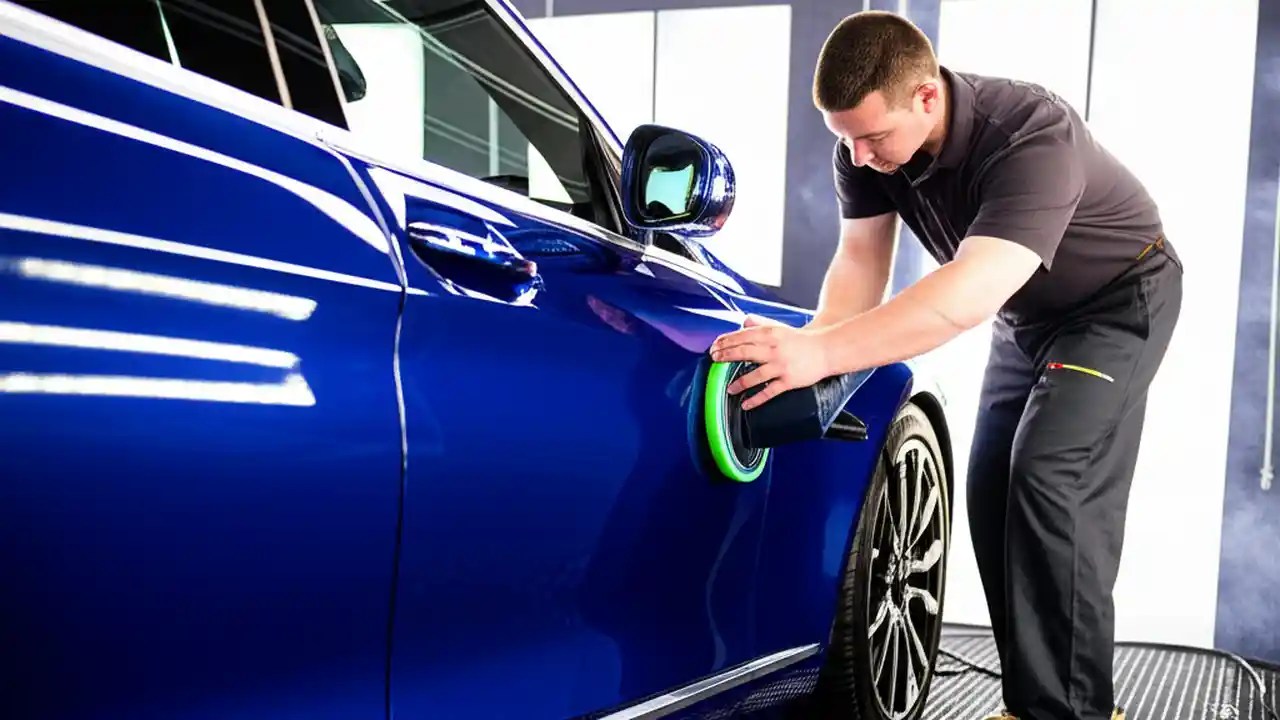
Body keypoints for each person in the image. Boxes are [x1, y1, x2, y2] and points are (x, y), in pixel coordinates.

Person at [708, 10, 1182, 720]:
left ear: (926, 97)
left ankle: (1078, 713)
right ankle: (1033, 704)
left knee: (1052, 478)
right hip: (1027, 315)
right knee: (992, 493)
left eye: (873, 136)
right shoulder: (867, 151)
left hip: (1116, 303)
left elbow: (965, 295)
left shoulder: (1029, 133)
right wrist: (803, 359)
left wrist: (824, 352)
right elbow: (860, 266)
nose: (860, 157)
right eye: (847, 140)